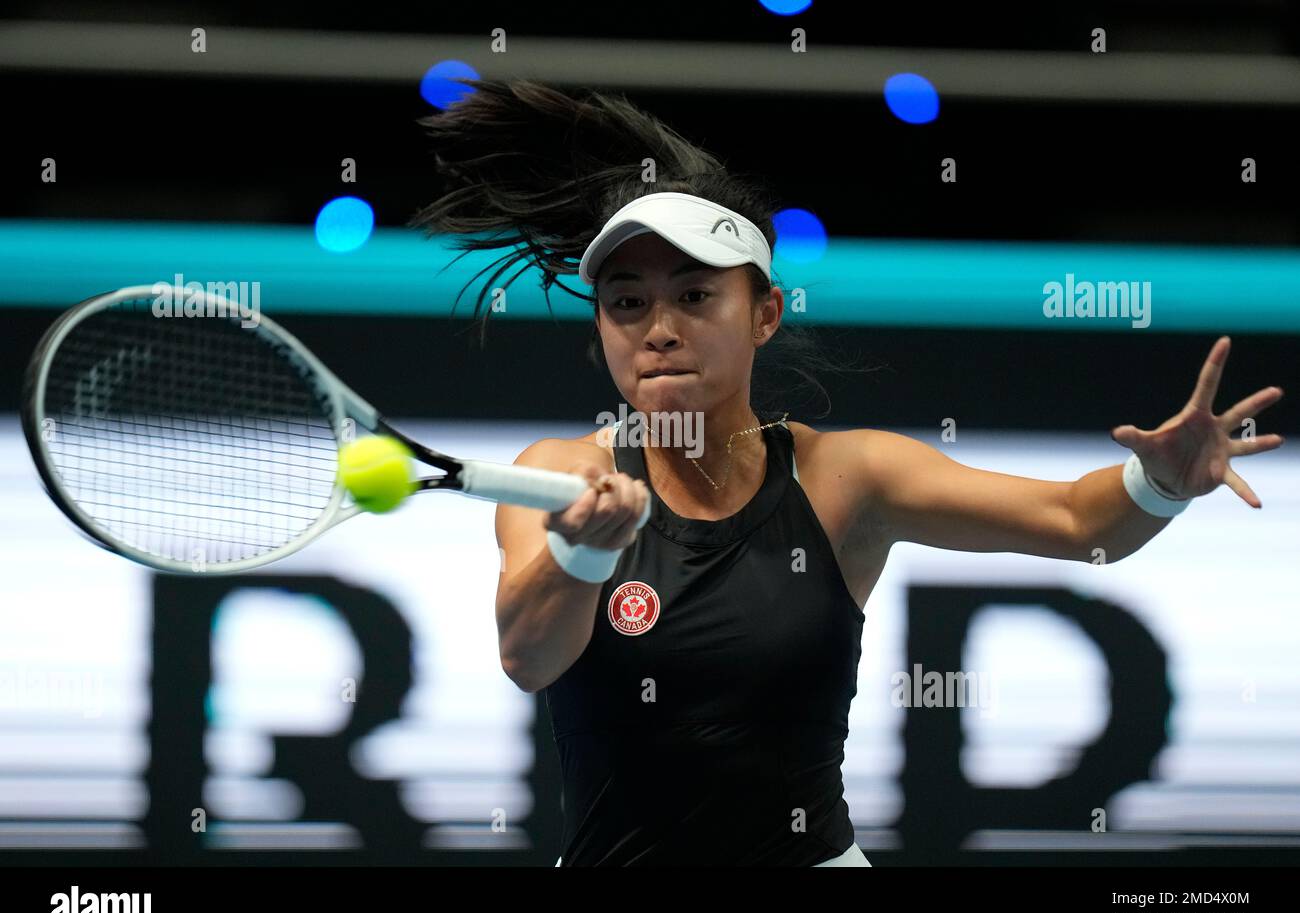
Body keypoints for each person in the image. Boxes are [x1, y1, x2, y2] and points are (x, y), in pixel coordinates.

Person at [411, 79, 1285, 866]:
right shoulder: (556, 475)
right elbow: (528, 658)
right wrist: (582, 555)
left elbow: (1075, 521)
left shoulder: (847, 479)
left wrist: (1160, 482)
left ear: (765, 315)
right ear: (601, 330)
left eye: (694, 293)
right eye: (628, 301)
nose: (659, 326)